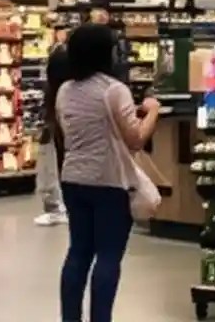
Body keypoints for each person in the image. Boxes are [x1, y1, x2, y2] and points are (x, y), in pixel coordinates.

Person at [57, 23, 161, 322]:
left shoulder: (65, 90)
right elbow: (136, 140)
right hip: (109, 181)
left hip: (73, 179)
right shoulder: (114, 90)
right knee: (108, 256)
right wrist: (152, 110)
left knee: (78, 253)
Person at [35, 27, 72, 226]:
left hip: (55, 124)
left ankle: (57, 206)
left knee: (53, 162)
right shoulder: (73, 90)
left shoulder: (54, 91)